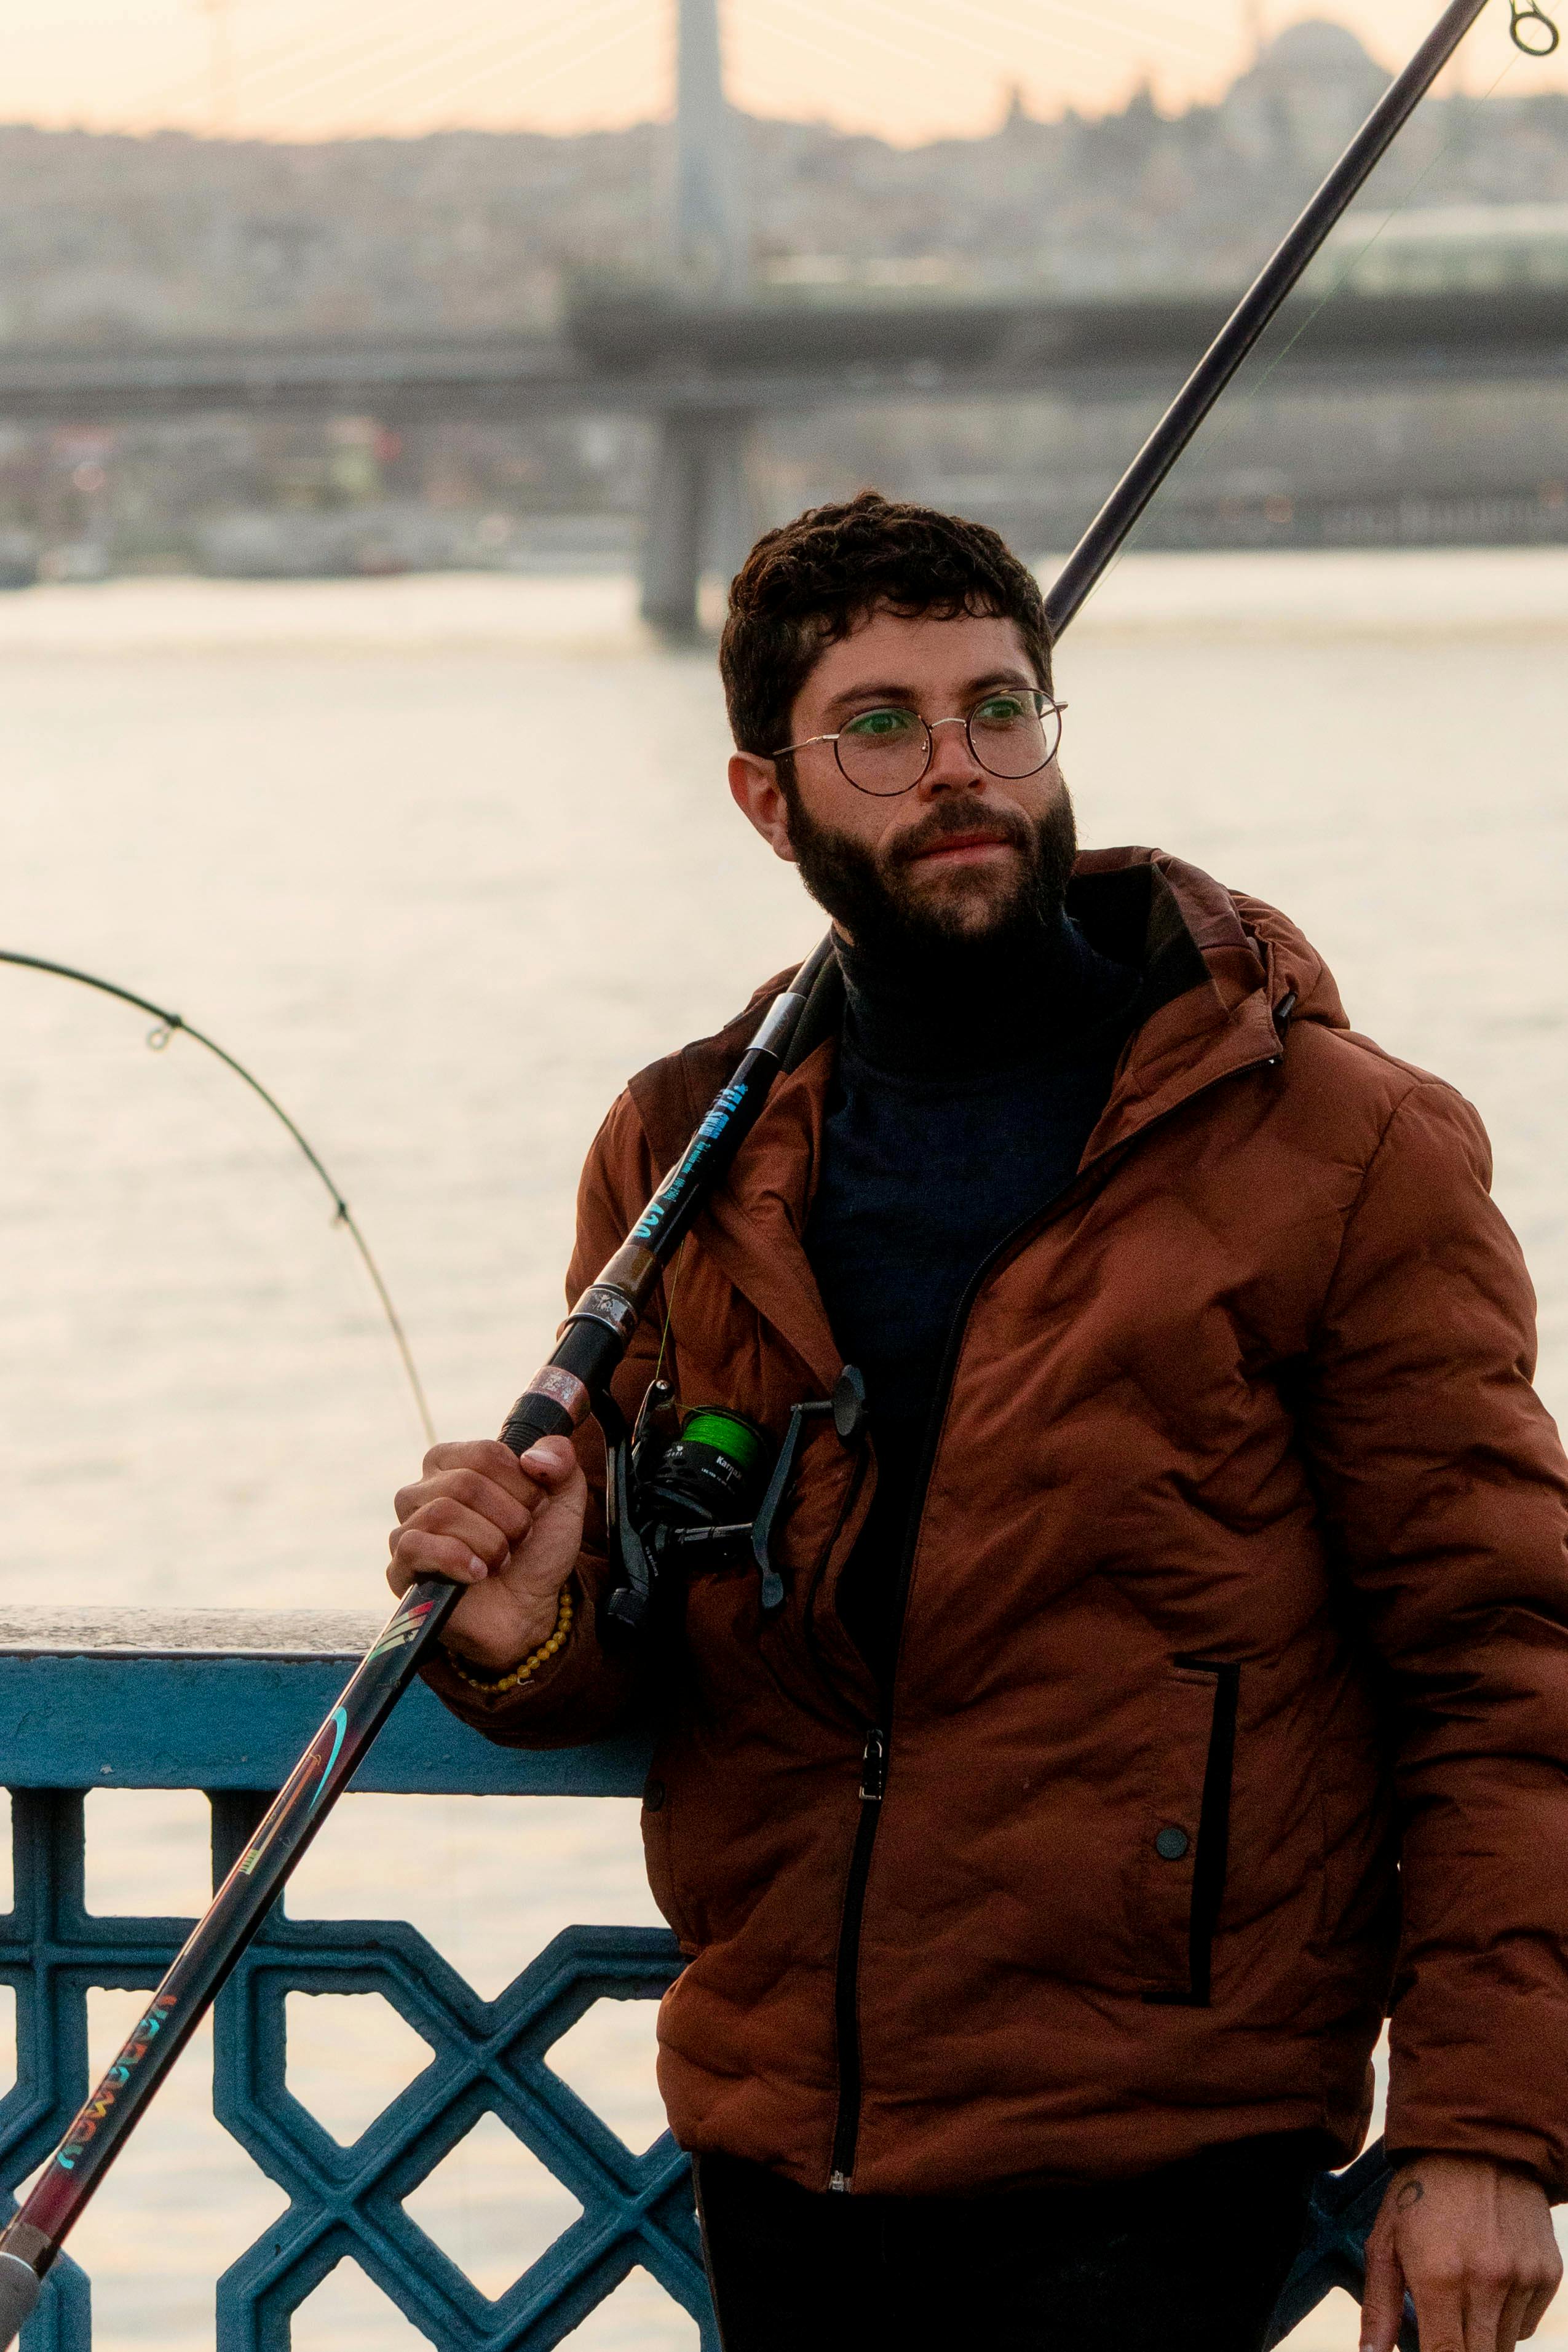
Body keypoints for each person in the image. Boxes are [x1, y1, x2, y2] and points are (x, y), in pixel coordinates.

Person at [388, 493, 1568, 2352]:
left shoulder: (1335, 1143)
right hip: (785, 2131)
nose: (957, 767)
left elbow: (1504, 1653)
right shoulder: (683, 1146)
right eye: (880, 725)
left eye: (997, 708)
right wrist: (527, 1622)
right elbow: (660, 1625)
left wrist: (1487, 2123)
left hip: (1157, 2137)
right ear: (767, 798)